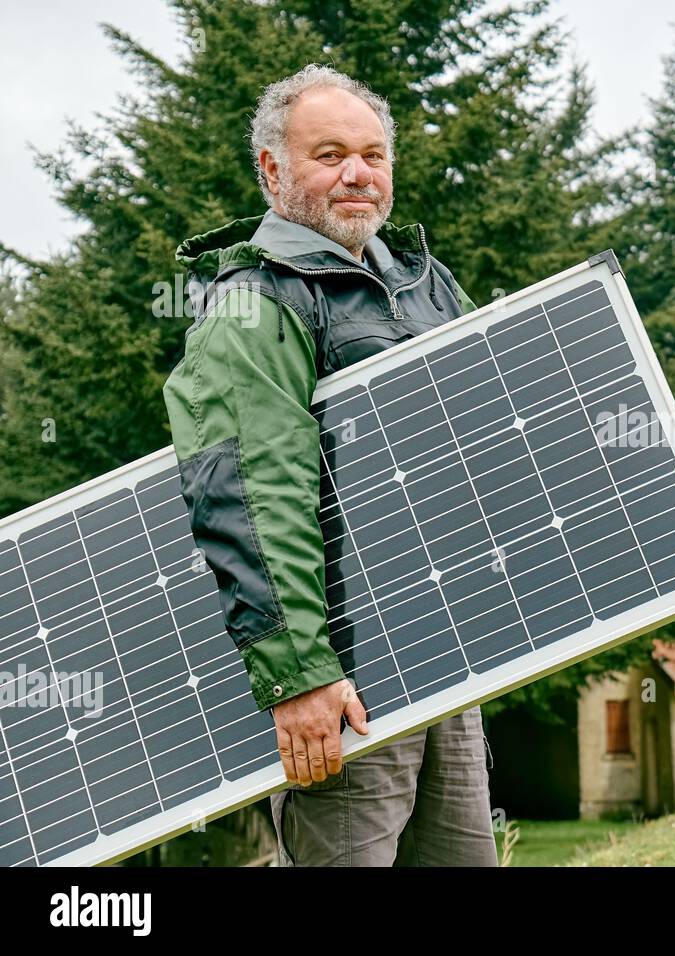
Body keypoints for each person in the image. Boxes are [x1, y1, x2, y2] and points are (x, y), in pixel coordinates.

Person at [161, 64, 497, 866]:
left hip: (445, 661)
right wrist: (300, 676)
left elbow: (486, 445)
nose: (359, 173)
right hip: (345, 681)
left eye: (374, 155)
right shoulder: (254, 301)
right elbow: (250, 490)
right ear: (274, 171)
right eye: (331, 153)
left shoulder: (423, 283)